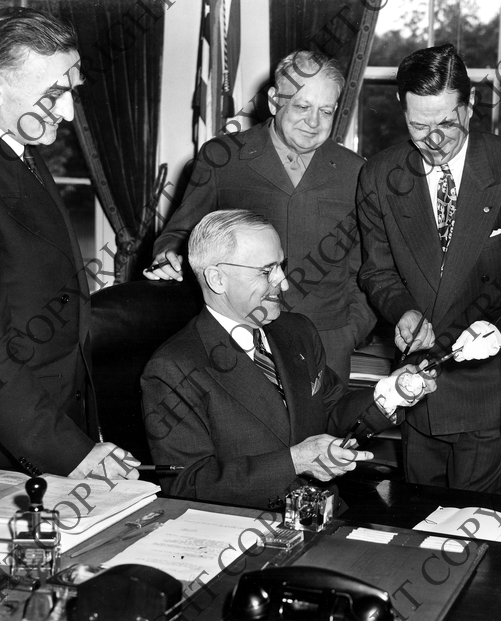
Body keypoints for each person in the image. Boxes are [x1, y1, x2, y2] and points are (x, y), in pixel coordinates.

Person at [142, 210, 436, 510]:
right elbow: (188, 485)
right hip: (247, 528)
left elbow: (333, 415)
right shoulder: (173, 367)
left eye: (281, 266)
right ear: (217, 279)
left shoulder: (296, 331)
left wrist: (389, 394)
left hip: (325, 516)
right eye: (266, 271)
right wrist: (295, 462)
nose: (283, 283)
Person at [357, 43, 501, 493]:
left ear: (470, 106)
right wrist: (403, 311)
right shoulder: (380, 176)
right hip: (417, 390)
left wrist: (492, 328)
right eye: (419, 126)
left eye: (445, 123)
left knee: (474, 525)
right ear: (402, 110)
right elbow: (377, 272)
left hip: (488, 391)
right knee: (417, 521)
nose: (434, 140)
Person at [146, 50, 374, 383]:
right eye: (302, 107)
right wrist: (167, 255)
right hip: (240, 336)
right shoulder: (223, 158)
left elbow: (367, 266)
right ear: (273, 101)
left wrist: (351, 331)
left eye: (326, 111)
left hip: (326, 344)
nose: (314, 122)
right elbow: (181, 234)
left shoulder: (356, 171)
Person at [0, 7, 139, 479]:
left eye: (71, 92)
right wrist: (70, 454)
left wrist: (83, 438)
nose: (67, 112)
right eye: (53, 94)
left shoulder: (23, 152)